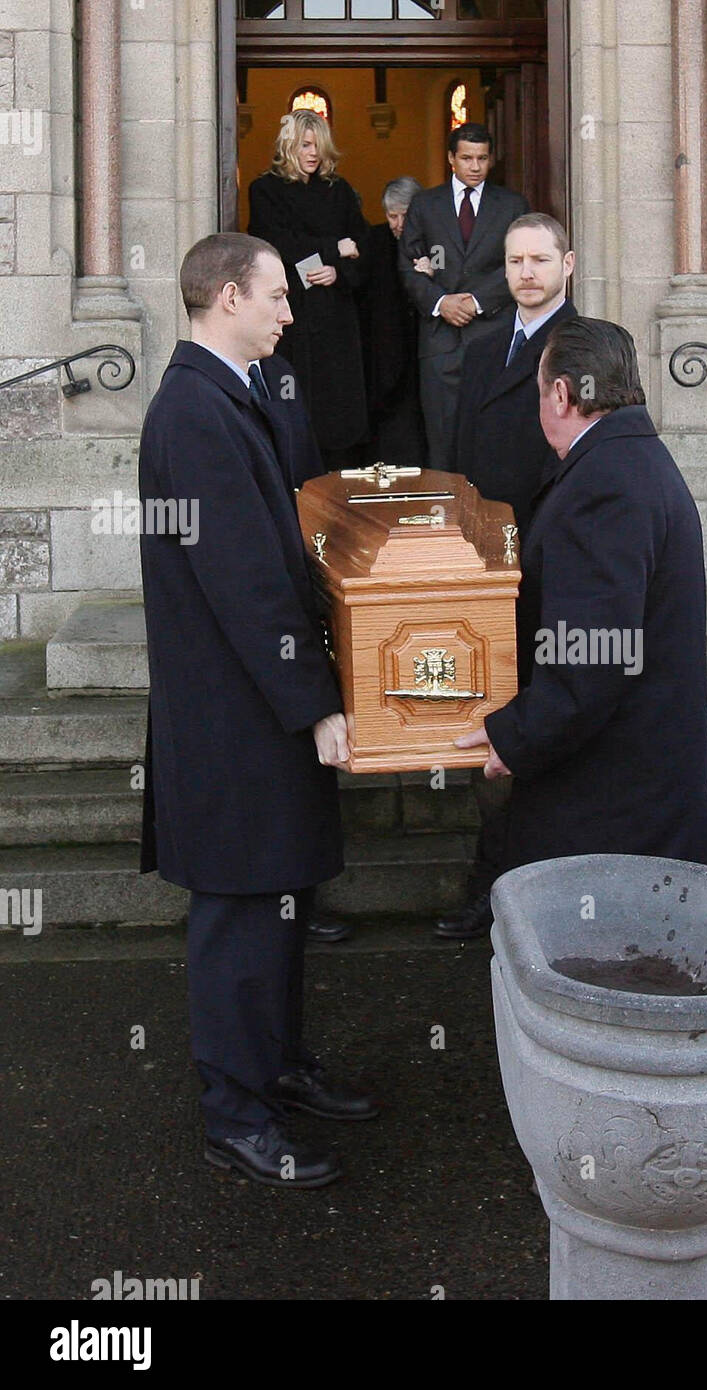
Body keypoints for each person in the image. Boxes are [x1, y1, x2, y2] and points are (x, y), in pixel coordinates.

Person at [138, 232, 377, 1189]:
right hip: (234, 716)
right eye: (276, 297)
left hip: (253, 709)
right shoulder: (194, 410)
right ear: (228, 296)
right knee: (241, 911)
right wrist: (313, 703)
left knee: (281, 896)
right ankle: (235, 1113)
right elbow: (242, 580)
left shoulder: (235, 392)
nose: (290, 312)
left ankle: (276, 1066)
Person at [454, 317, 707, 877]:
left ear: (561, 392)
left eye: (538, 394)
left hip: (614, 807)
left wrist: (518, 736)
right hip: (630, 794)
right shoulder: (626, 460)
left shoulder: (607, 483)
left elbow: (595, 654)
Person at [436, 213, 577, 940]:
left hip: (552, 567)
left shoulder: (584, 348)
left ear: (567, 265)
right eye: (515, 260)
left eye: (540, 259)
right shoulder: (487, 344)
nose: (526, 272)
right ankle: (489, 884)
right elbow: (462, 454)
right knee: (488, 725)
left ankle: (528, 888)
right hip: (488, 570)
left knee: (534, 729)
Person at [398, 121, 529, 469]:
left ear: (491, 160)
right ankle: (444, 519)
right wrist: (442, 303)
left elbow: (519, 262)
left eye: (482, 159)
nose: (475, 166)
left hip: (493, 336)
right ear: (451, 159)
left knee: (492, 435)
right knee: (442, 439)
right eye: (467, 158)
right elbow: (407, 266)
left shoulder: (512, 205)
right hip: (440, 342)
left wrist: (474, 301)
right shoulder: (425, 205)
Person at [248, 109, 370, 468]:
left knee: (338, 415)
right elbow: (275, 242)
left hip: (336, 318)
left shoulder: (340, 190)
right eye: (305, 145)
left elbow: (362, 247)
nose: (313, 153)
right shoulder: (265, 190)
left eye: (319, 145)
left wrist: (338, 271)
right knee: (293, 406)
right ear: (289, 145)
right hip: (290, 315)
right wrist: (335, 249)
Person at [360, 176, 427, 469]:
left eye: (406, 215)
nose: (399, 224)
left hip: (424, 354)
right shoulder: (374, 241)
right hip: (383, 356)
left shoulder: (435, 243)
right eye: (392, 216)